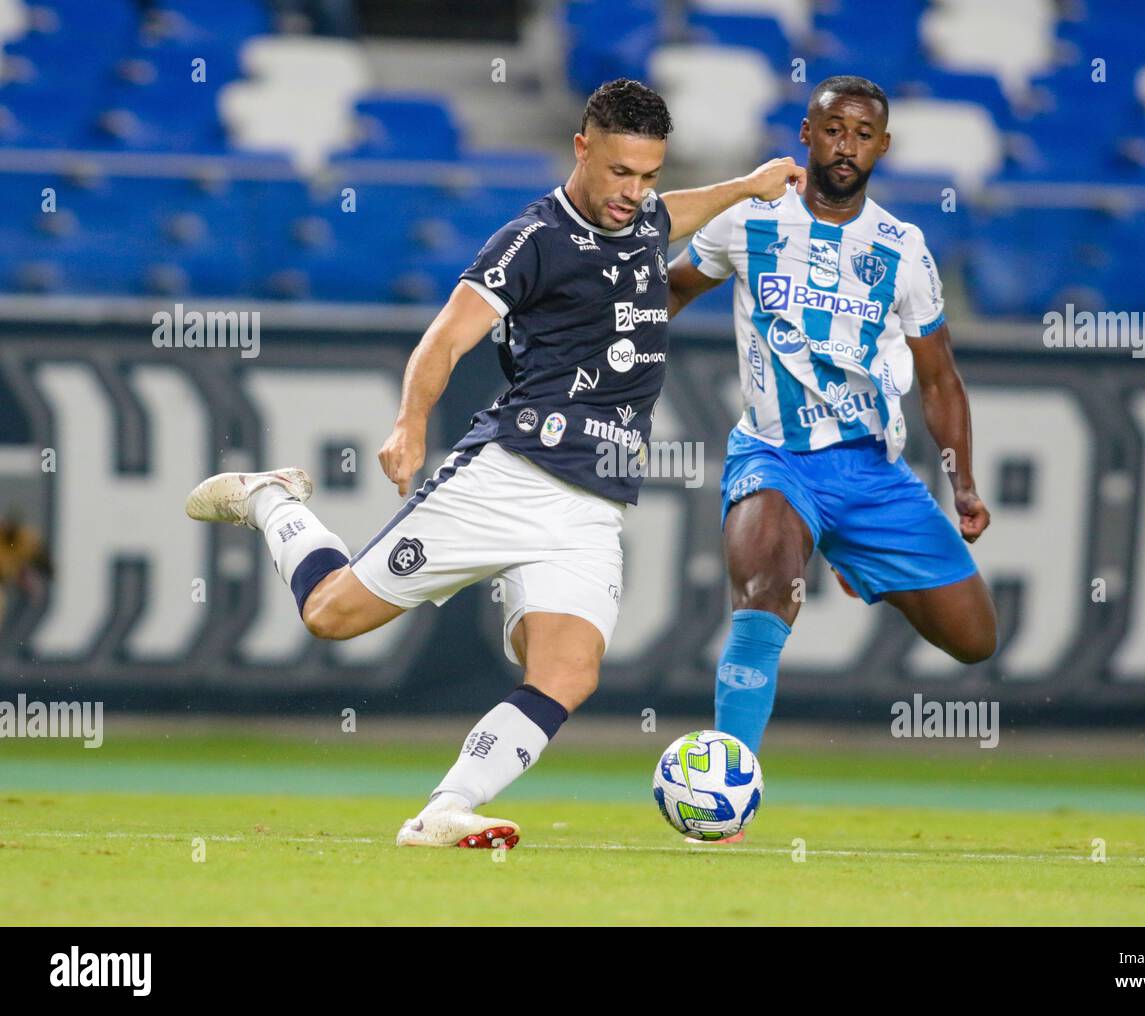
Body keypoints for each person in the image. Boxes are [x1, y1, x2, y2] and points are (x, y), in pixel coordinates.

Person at [185, 78, 805, 849]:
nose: (634, 193)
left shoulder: (643, 217)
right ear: (582, 147)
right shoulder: (530, 240)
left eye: (648, 175)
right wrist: (411, 423)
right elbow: (446, 337)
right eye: (620, 173)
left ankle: (443, 810)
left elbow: (673, 215)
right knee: (331, 616)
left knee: (568, 672)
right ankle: (272, 498)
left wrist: (745, 187)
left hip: (592, 507)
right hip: (510, 474)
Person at [666, 76, 998, 840]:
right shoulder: (747, 221)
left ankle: (855, 554)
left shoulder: (903, 249)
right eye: (832, 128)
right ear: (806, 135)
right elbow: (669, 295)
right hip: (775, 455)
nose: (846, 145)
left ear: (882, 147)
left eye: (862, 133)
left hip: (873, 474)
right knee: (766, 594)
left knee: (975, 640)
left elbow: (941, 378)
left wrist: (964, 485)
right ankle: (727, 794)